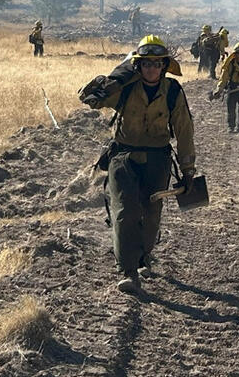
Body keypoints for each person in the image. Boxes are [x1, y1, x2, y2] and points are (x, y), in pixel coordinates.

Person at [79, 35, 197, 295]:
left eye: (156, 63)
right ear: (138, 66)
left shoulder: (174, 91)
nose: (151, 69)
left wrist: (188, 171)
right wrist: (115, 78)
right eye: (145, 64)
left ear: (164, 66)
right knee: (125, 212)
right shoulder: (124, 87)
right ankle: (129, 271)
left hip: (158, 160)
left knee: (151, 213)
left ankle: (144, 256)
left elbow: (184, 131)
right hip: (123, 157)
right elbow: (88, 98)